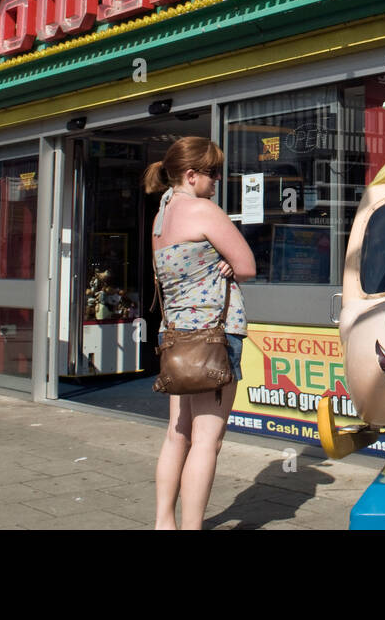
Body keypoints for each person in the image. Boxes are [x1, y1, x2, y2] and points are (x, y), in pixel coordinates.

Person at [143, 136, 256, 530]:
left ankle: (164, 523)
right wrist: (226, 261)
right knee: (208, 440)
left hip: (173, 336)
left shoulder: (161, 214)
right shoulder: (203, 210)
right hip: (211, 338)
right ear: (191, 175)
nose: (217, 181)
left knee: (178, 435)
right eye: (213, 173)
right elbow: (247, 265)